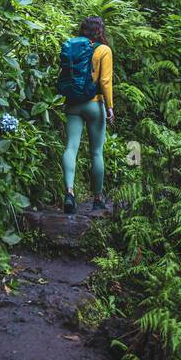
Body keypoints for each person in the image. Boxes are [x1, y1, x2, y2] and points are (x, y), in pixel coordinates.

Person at [58, 16, 114, 214]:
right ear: (101, 31)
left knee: (71, 147)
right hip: (94, 104)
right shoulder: (103, 50)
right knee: (96, 152)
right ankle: (98, 198)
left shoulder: (73, 47)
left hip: (72, 103)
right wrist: (110, 107)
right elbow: (105, 81)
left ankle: (69, 192)